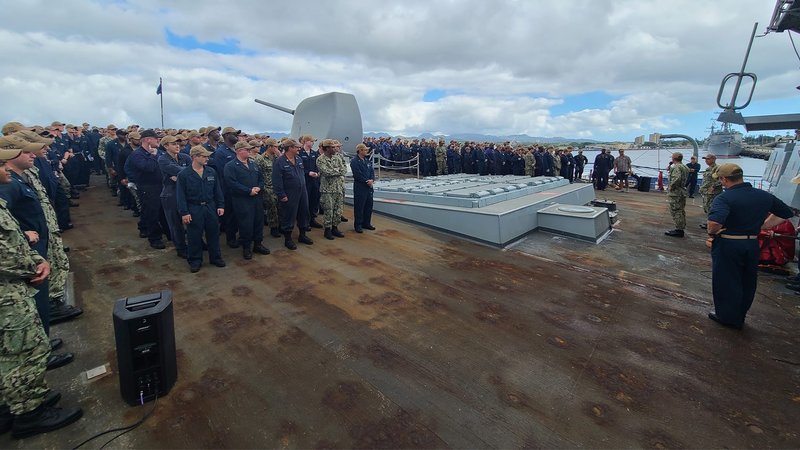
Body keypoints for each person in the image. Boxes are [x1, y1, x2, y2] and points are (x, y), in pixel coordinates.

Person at [0, 142, 83, 439]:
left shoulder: (13, 185)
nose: (5, 170)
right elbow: (6, 252)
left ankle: (11, 406)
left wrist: (30, 250)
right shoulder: (6, 189)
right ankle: (29, 412)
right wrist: (31, 263)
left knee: (13, 353)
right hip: (8, 293)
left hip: (14, 283)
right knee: (24, 350)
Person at [706, 163, 793, 329]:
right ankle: (740, 315)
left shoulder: (724, 198)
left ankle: (726, 317)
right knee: (747, 280)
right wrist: (764, 226)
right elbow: (786, 213)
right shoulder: (763, 196)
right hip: (752, 243)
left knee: (726, 280)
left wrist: (713, 234)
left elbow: (714, 224)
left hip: (729, 243)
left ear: (724, 179)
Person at [176, 146, 226, 273]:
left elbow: (217, 190)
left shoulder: (211, 172)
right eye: (204, 156)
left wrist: (220, 205)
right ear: (194, 157)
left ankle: (215, 257)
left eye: (207, 156)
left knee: (213, 233)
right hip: (194, 207)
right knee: (194, 236)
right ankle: (195, 260)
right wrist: (184, 213)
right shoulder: (184, 174)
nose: (207, 158)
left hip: (210, 206)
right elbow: (180, 196)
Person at [224, 141, 269, 259]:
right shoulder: (230, 166)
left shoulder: (253, 164)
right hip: (242, 200)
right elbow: (231, 183)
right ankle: (246, 247)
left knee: (258, 221)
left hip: (256, 198)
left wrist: (259, 187)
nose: (250, 151)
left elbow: (261, 178)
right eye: (247, 149)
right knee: (246, 224)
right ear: (239, 151)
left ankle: (258, 244)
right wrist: (248, 191)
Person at [126, 129, 165, 249]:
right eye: (156, 138)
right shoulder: (137, 154)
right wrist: (153, 156)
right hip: (147, 187)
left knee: (161, 211)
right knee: (151, 212)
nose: (158, 140)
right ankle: (154, 238)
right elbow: (148, 168)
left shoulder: (157, 152)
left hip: (159, 185)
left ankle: (167, 233)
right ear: (148, 140)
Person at [272, 139, 313, 250]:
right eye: (297, 147)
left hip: (302, 191)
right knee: (289, 215)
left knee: (304, 212)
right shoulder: (280, 162)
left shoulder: (299, 159)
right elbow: (276, 180)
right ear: (290, 148)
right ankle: (288, 239)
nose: (299, 149)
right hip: (289, 193)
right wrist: (281, 194)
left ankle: (302, 235)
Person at [157, 135, 192, 259]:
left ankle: (196, 243)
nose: (177, 146)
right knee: (175, 223)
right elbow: (186, 172)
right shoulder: (163, 159)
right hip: (170, 194)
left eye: (178, 143)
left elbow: (193, 171)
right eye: (173, 144)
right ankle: (181, 248)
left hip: (185, 193)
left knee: (191, 220)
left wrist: (179, 177)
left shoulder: (185, 157)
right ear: (166, 146)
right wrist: (184, 174)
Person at [316, 139, 347, 240]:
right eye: (332, 147)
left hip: (338, 187)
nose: (335, 149)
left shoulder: (337, 158)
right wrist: (337, 170)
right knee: (328, 210)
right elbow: (326, 172)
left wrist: (335, 171)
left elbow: (344, 170)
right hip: (327, 189)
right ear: (327, 148)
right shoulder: (321, 159)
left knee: (338, 209)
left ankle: (335, 227)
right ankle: (327, 230)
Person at [253, 138, 282, 238]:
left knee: (279, 207)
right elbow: (257, 173)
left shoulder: (277, 157)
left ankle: (280, 225)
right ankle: (274, 227)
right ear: (269, 147)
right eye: (275, 147)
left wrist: (280, 155)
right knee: (272, 208)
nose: (277, 148)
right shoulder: (261, 159)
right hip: (267, 187)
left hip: (277, 186)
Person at [298, 135, 322, 229]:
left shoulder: (314, 153)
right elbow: (299, 167)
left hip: (314, 181)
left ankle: (312, 219)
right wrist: (308, 173)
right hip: (305, 181)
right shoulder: (300, 153)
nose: (313, 143)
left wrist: (318, 172)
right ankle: (304, 222)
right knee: (305, 202)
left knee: (313, 200)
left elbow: (317, 165)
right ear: (306, 141)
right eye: (311, 141)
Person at [350, 143, 376, 233]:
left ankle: (366, 223)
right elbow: (357, 174)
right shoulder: (354, 161)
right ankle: (358, 224)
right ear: (360, 151)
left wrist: (372, 180)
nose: (367, 151)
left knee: (369, 205)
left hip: (369, 187)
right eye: (365, 150)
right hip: (360, 187)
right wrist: (367, 181)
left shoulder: (367, 160)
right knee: (359, 206)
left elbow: (372, 171)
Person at [665, 152, 689, 237]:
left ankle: (679, 229)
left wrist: (671, 187)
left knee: (676, 211)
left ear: (674, 158)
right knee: (681, 210)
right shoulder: (685, 167)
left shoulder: (677, 167)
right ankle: (681, 227)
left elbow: (676, 178)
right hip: (682, 190)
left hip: (676, 192)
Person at [698, 154, 723, 229]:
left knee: (712, 208)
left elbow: (721, 179)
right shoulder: (709, 168)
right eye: (705, 159)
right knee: (707, 208)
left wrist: (713, 186)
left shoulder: (717, 168)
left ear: (713, 159)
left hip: (713, 193)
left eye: (708, 159)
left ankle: (712, 223)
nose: (706, 160)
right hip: (706, 192)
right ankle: (709, 222)